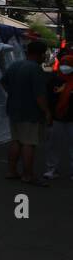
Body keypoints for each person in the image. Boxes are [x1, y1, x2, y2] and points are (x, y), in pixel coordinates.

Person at [1, 40, 52, 186]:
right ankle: (28, 175)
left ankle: (11, 171)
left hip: (13, 109)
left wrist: (14, 93)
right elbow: (40, 96)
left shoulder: (15, 65)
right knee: (29, 143)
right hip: (30, 113)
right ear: (41, 54)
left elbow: (3, 82)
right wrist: (47, 111)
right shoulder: (36, 69)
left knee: (16, 140)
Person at [43, 52, 73, 180]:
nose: (65, 67)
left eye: (68, 64)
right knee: (53, 145)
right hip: (57, 118)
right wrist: (48, 114)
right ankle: (51, 169)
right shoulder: (54, 80)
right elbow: (48, 98)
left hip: (72, 119)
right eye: (63, 64)